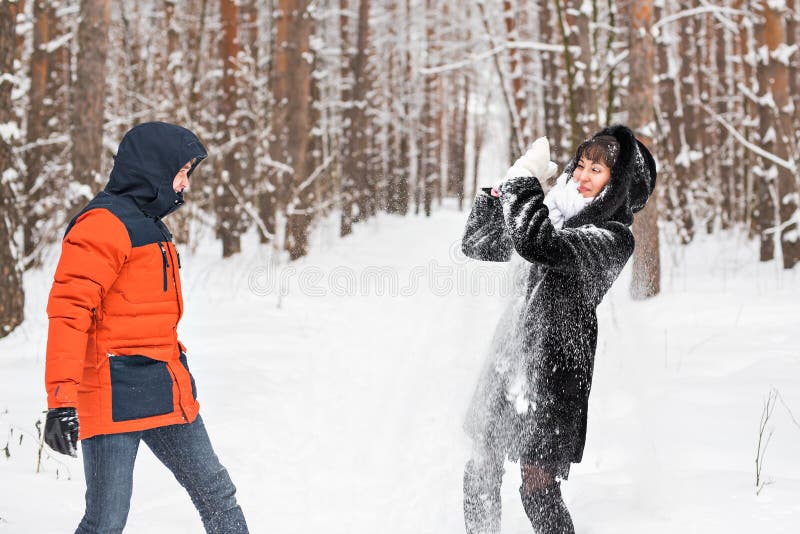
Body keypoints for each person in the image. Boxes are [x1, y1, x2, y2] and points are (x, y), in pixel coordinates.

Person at [43, 122, 249, 534]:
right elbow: (69, 312)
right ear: (155, 167)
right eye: (182, 171)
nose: (185, 184)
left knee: (216, 491)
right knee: (106, 520)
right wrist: (61, 399)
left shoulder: (149, 223)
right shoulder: (101, 225)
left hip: (162, 386)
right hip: (112, 392)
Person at [460, 126, 657, 534]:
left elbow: (539, 244)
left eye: (597, 171)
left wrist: (523, 185)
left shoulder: (613, 237)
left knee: (538, 486)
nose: (582, 176)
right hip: (512, 352)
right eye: (581, 164)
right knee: (482, 463)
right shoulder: (552, 208)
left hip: (557, 370)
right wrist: (505, 189)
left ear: (618, 186)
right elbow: (480, 242)